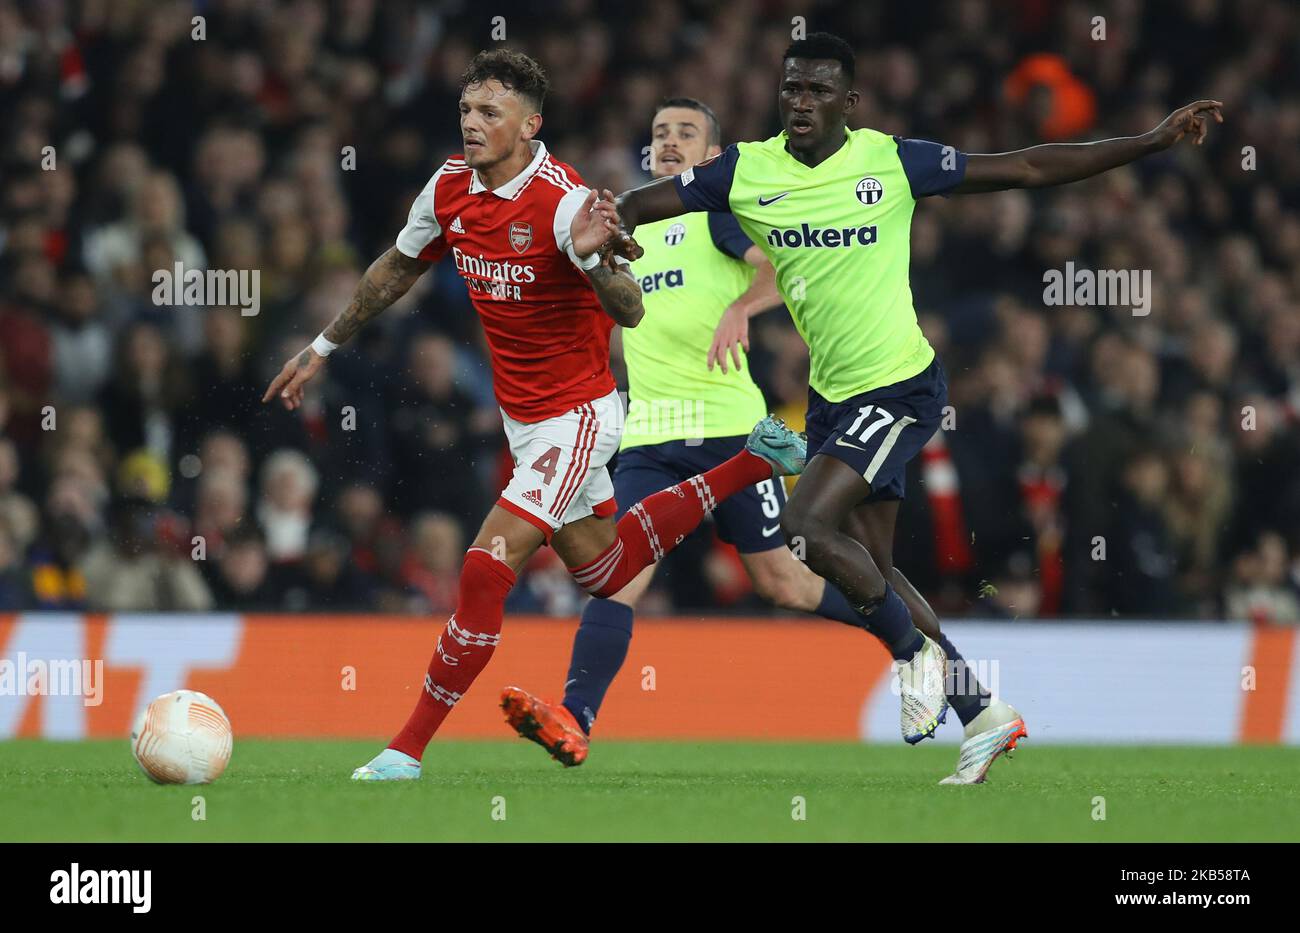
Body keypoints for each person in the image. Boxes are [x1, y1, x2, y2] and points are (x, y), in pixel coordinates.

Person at [603, 32, 1222, 784]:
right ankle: (983, 711)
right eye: (792, 88)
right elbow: (637, 204)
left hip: (899, 386)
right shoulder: (744, 172)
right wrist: (610, 236)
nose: (802, 101)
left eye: (819, 90)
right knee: (878, 571)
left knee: (803, 526)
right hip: (833, 396)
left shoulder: (891, 161)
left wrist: (1148, 142)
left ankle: (911, 657)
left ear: (849, 103)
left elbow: (1026, 167)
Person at [262, 49, 808, 781]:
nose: (473, 124)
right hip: (524, 419)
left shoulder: (564, 200)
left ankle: (406, 749)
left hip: (579, 413)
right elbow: (397, 265)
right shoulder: (450, 187)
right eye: (466, 110)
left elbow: (632, 306)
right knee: (606, 569)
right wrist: (323, 346)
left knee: (487, 566)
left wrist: (588, 260)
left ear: (530, 123)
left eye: (491, 112)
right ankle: (752, 461)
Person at [500, 97, 953, 767]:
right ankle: (575, 718)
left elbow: (775, 268)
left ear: (711, 155)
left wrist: (741, 306)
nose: (670, 142)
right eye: (659, 133)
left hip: (735, 437)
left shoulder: (715, 218)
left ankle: (913, 646)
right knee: (614, 576)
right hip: (652, 436)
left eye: (687, 133)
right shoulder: (625, 237)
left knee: (785, 583)